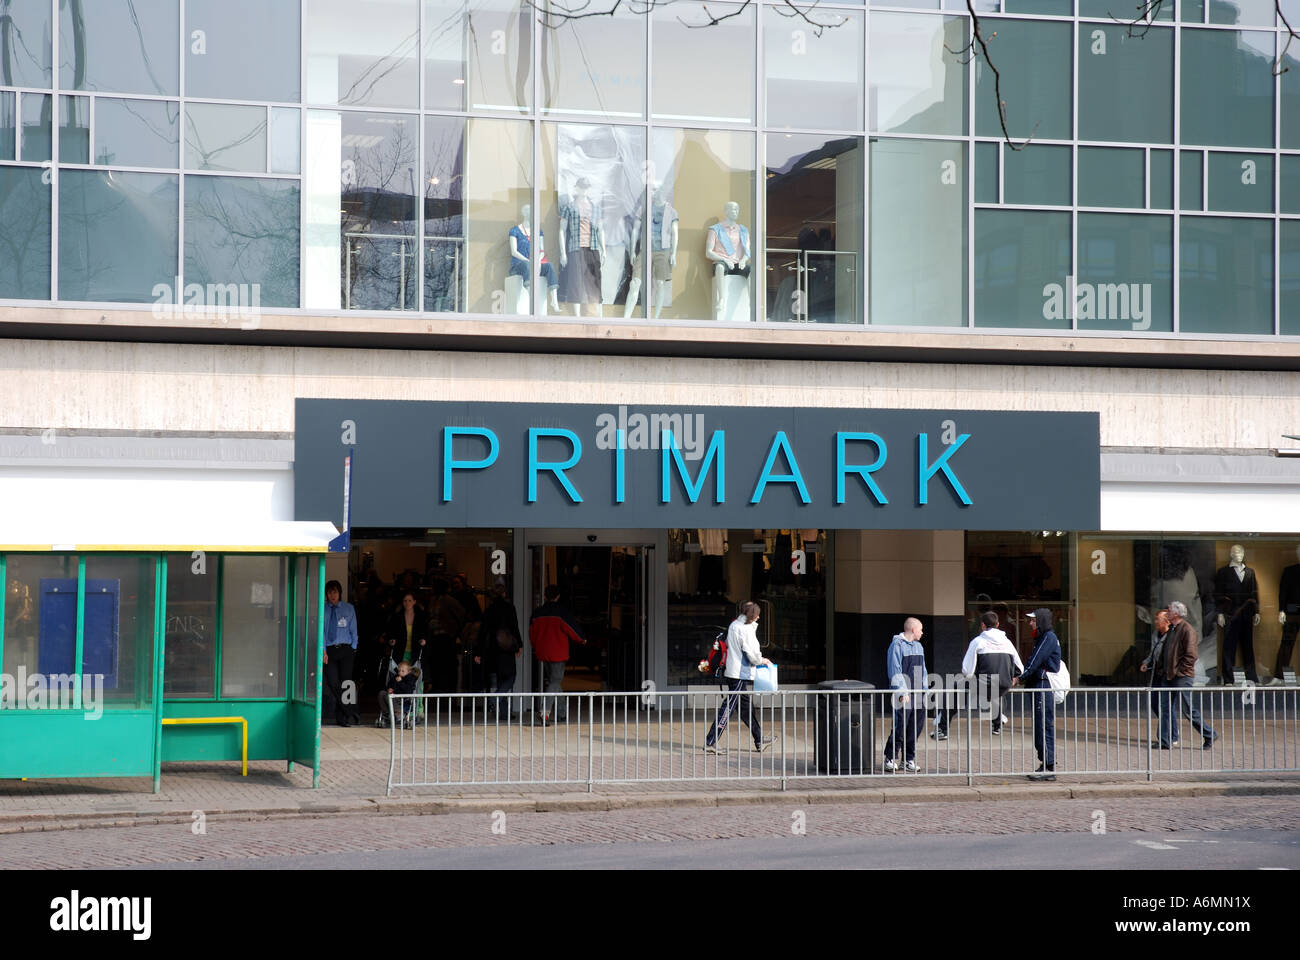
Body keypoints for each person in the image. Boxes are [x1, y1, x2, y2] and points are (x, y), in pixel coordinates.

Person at [704, 601, 776, 753]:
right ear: (752, 615)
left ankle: (759, 739)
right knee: (728, 707)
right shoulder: (746, 629)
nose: (758, 618)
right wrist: (763, 660)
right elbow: (753, 655)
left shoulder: (734, 625)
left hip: (733, 671)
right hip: (739, 673)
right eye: (757, 615)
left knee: (745, 708)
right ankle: (711, 741)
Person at [1013, 607, 1061, 781]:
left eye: (1033, 620)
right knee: (1040, 726)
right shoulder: (1043, 637)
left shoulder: (1048, 637)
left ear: (1041, 621)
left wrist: (1020, 677)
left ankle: (1048, 767)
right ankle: (1045, 763)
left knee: (1043, 725)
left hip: (1042, 685)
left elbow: (1035, 660)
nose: (1030, 623)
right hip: (1038, 684)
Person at [1165, 600, 1218, 751]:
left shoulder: (1187, 630)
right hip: (1173, 675)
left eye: (1169, 610)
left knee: (1188, 709)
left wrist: (1180, 671)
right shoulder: (1174, 629)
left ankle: (1209, 734)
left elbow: (1191, 655)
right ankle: (1168, 738)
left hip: (1182, 676)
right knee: (1167, 707)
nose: (1167, 613)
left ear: (1176, 614)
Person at [529, 584, 585, 724]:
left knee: (555, 682)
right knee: (555, 682)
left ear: (544, 596)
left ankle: (562, 713)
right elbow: (572, 628)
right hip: (558, 652)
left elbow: (532, 634)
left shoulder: (537, 613)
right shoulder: (561, 612)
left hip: (543, 652)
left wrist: (535, 646)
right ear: (558, 596)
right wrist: (582, 639)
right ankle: (545, 712)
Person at [883, 617, 926, 772]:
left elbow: (923, 670)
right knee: (900, 726)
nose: (922, 632)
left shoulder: (919, 646)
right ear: (913, 630)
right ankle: (890, 757)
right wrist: (901, 692)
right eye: (920, 629)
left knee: (915, 728)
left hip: (918, 694)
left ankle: (908, 759)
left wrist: (925, 690)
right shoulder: (897, 645)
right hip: (904, 695)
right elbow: (895, 669)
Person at [476, 584, 523, 718]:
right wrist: (519, 645)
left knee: (499, 679)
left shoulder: (489, 610)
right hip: (506, 648)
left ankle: (504, 713)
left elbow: (482, 632)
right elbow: (514, 627)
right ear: (503, 594)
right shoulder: (509, 608)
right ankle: (495, 699)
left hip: (492, 649)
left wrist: (479, 652)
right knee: (510, 676)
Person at [323, 580, 362, 727]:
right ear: (326, 594)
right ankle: (351, 710)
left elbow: (353, 630)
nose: (332, 595)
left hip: (346, 649)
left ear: (339, 593)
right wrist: (323, 651)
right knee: (333, 682)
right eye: (329, 592)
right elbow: (321, 632)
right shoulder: (323, 609)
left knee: (346, 682)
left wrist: (353, 648)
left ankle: (342, 718)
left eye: (335, 592)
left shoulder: (348, 608)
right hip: (329, 650)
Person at [1139, 609, 1178, 748]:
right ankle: (1170, 731)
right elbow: (1153, 652)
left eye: (1158, 619)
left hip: (1168, 675)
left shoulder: (1172, 635)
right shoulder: (1156, 634)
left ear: (1167, 621)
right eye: (1155, 619)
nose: (1155, 621)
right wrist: (1146, 662)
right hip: (1157, 673)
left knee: (1166, 706)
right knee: (1155, 703)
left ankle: (1170, 736)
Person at [425, 578, 466, 693]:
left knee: (448, 661)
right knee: (435, 661)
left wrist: (454, 628)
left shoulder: (449, 600)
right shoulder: (433, 599)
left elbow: (461, 613)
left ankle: (449, 686)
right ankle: (437, 685)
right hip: (434, 635)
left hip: (446, 635)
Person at [381, 591, 428, 667]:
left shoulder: (421, 617)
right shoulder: (397, 616)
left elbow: (426, 632)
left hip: (415, 653)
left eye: (410, 600)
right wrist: (391, 640)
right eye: (405, 601)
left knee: (413, 673)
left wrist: (424, 640)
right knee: (399, 673)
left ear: (414, 602)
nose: (407, 603)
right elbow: (391, 632)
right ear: (402, 602)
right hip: (400, 652)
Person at [378, 660, 419, 729]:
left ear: (408, 672)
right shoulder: (395, 677)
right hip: (392, 696)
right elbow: (390, 685)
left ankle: (398, 712)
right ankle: (387, 712)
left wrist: (400, 682)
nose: (400, 672)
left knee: (391, 697)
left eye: (403, 671)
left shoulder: (411, 678)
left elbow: (408, 690)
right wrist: (389, 689)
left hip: (403, 698)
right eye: (399, 671)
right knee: (381, 693)